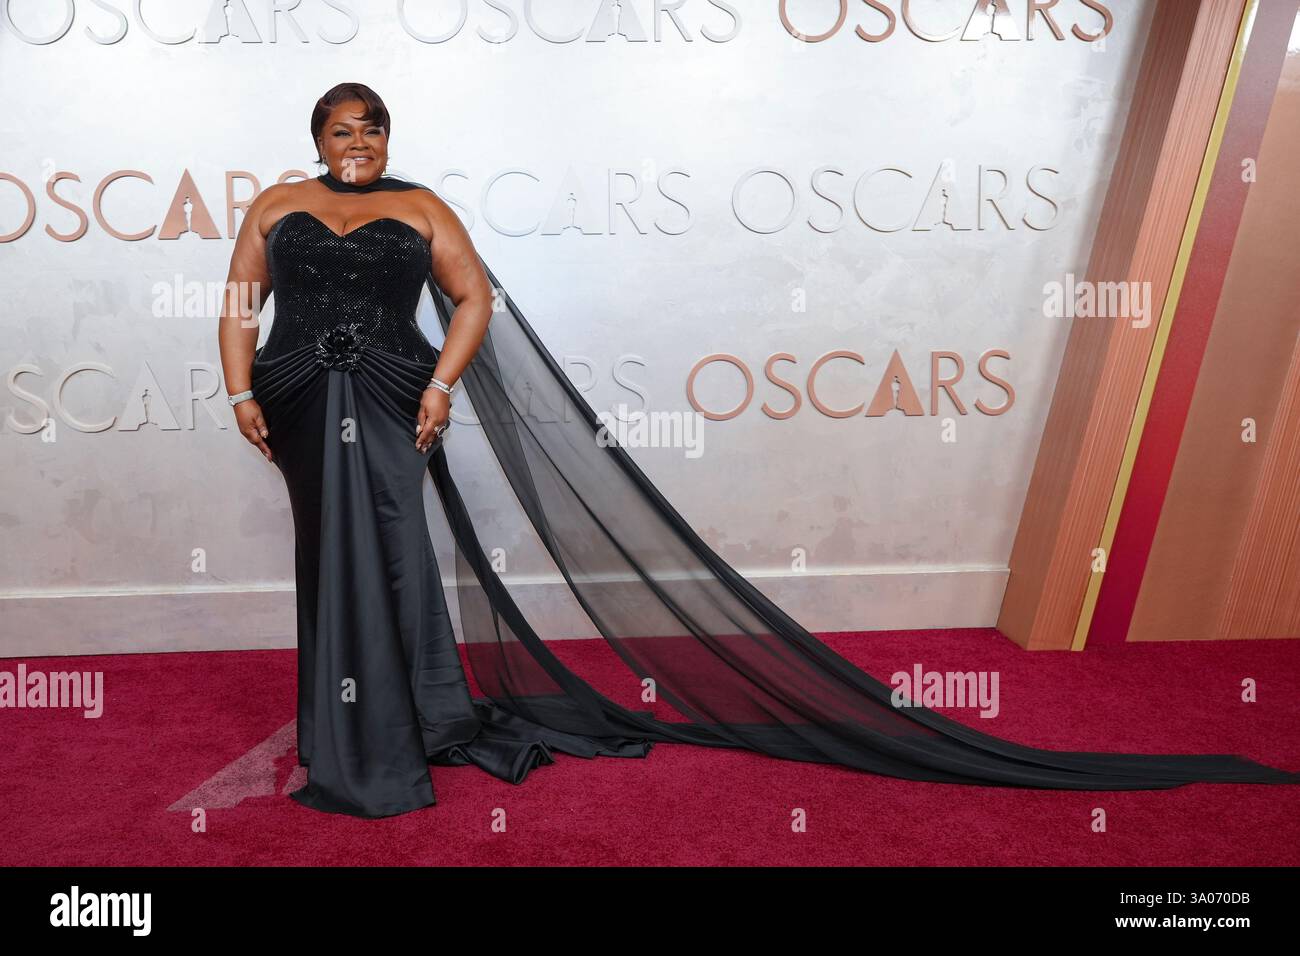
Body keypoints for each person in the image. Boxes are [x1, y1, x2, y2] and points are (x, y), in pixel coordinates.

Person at [217, 82, 1300, 818]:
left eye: (372, 130)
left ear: (388, 138)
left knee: (397, 555)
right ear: (316, 137)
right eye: (340, 130)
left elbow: (475, 297)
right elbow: (237, 300)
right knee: (330, 554)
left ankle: (401, 727)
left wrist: (444, 382)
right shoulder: (274, 202)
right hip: (302, 395)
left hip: (402, 397)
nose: (356, 145)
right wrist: (236, 387)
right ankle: (343, 726)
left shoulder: (422, 204)